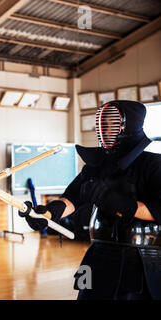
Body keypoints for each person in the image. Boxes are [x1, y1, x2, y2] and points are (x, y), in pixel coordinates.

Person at [19, 100, 160, 300]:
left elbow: (158, 209)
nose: (105, 129)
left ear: (130, 125)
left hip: (142, 258)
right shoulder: (97, 166)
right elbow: (72, 199)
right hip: (99, 253)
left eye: (112, 123)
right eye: (103, 124)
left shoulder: (153, 164)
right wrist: (47, 214)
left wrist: (115, 201)